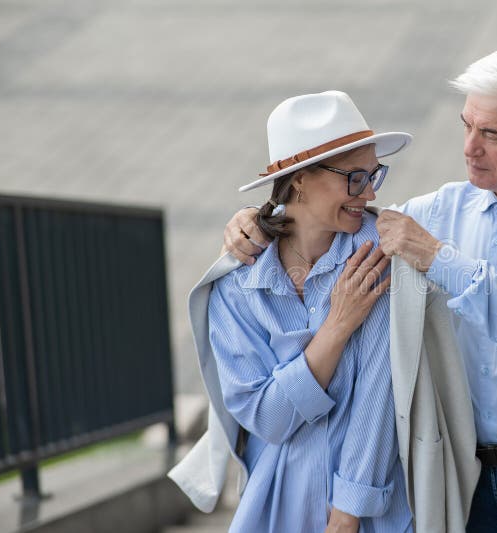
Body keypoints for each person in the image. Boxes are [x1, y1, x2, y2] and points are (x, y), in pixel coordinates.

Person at [223, 45, 497, 532]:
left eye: (491, 134)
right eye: (466, 126)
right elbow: (338, 212)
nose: (469, 147)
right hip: (463, 478)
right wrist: (255, 221)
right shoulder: (439, 210)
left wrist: (440, 259)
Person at [173, 90, 414, 533]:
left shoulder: (378, 257)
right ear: (300, 178)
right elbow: (265, 418)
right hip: (274, 504)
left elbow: (378, 401)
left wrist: (348, 513)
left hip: (372, 513)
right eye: (353, 177)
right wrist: (338, 326)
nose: (368, 192)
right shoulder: (236, 284)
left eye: (374, 175)